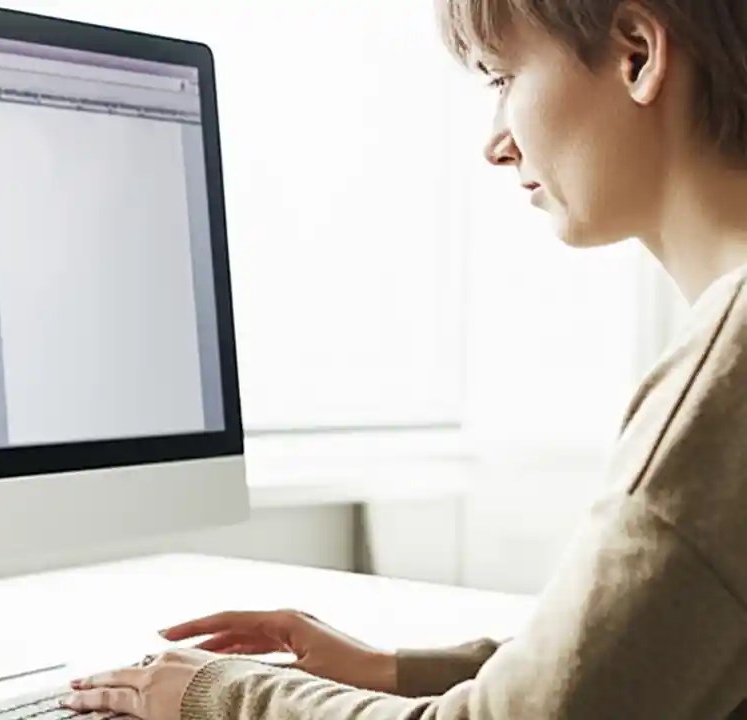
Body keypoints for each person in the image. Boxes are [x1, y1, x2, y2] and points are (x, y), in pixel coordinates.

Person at [60, 0, 747, 717]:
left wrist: (222, 694)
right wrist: (389, 670)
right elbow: (646, 659)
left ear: (636, 53)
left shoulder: (731, 363)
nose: (496, 143)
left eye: (502, 78)